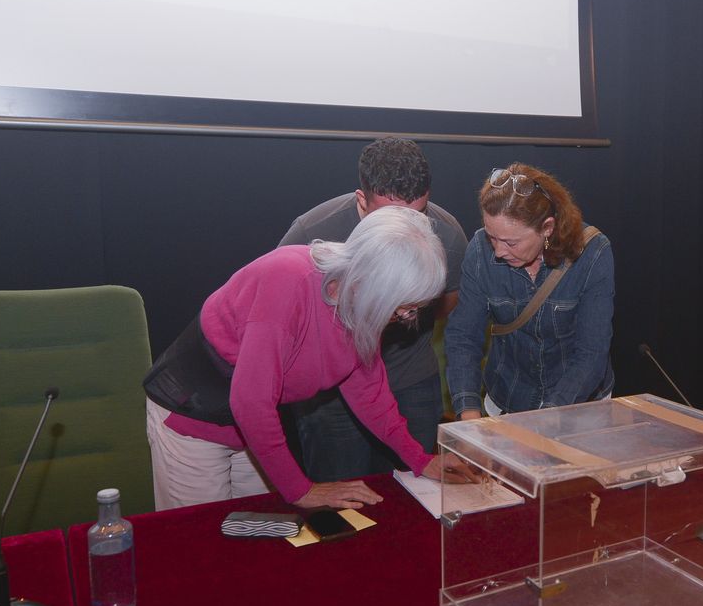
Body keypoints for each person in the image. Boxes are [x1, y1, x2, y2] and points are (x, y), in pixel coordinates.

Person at [143, 206, 470, 511]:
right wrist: (302, 491)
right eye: (403, 306)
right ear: (374, 285)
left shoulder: (362, 301)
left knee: (257, 535)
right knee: (203, 545)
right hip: (192, 421)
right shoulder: (286, 281)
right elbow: (251, 401)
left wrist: (420, 459)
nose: (408, 316)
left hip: (247, 430)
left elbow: (368, 392)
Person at [277, 137, 467, 480]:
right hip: (329, 393)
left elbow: (445, 306)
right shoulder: (312, 232)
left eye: (419, 213)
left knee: (417, 491)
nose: (409, 228)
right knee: (344, 499)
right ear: (361, 200)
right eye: (392, 216)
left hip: (411, 380)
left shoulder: (448, 234)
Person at [445, 163, 614, 419]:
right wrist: (468, 414)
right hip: (507, 400)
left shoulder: (592, 252)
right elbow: (463, 338)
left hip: (578, 406)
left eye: (511, 242)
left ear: (547, 228)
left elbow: (591, 353)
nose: (499, 251)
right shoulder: (479, 249)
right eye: (493, 237)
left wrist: (546, 419)